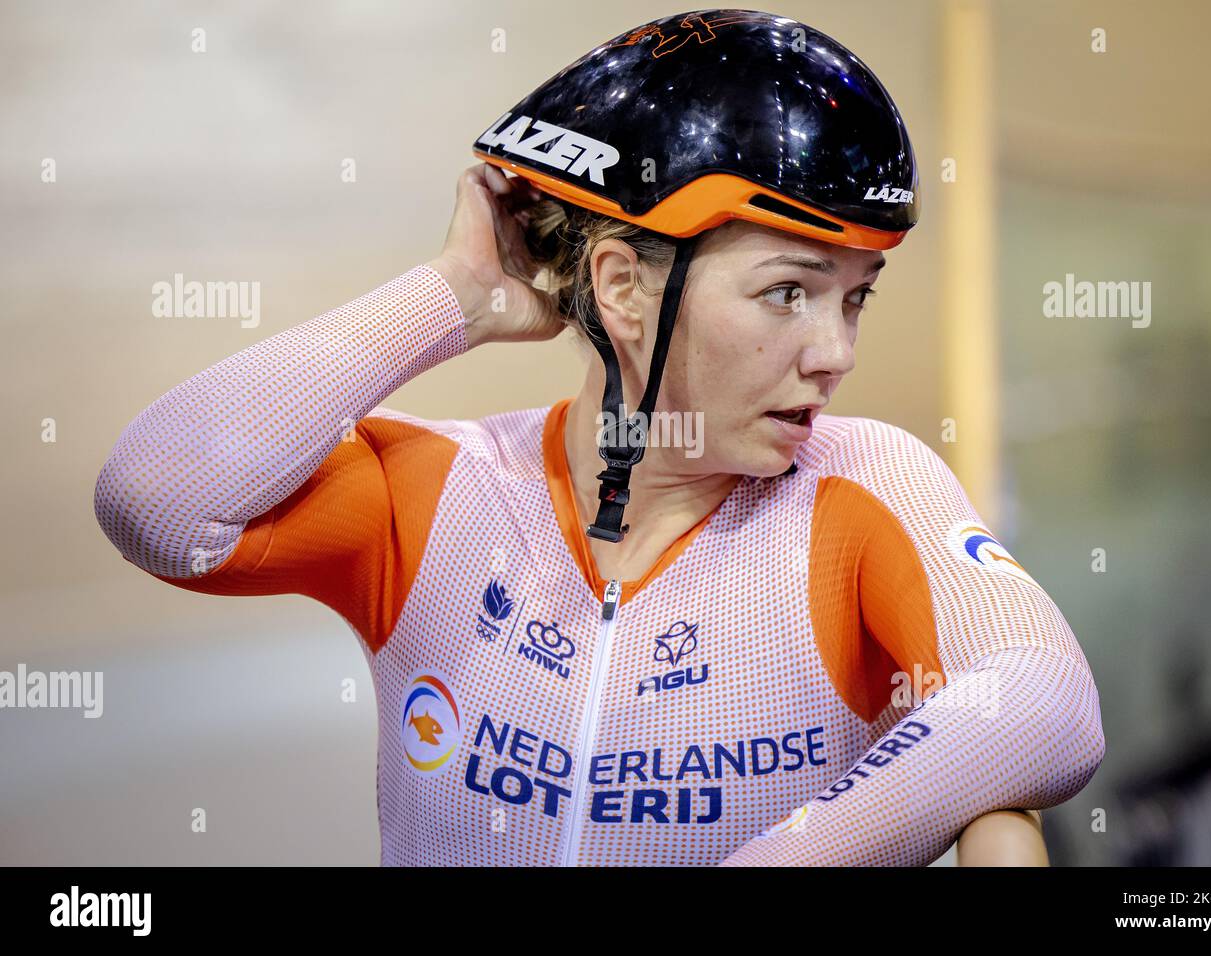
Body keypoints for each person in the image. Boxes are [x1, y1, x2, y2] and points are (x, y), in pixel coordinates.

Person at [94, 9, 1103, 866]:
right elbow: (153, 500)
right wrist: (449, 298)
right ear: (622, 287)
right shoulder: (443, 491)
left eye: (854, 300)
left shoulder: (861, 487)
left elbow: (1045, 699)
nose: (833, 351)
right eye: (787, 291)